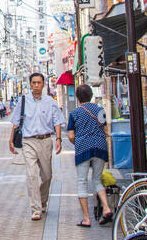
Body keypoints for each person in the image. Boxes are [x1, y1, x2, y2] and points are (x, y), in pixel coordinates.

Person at [8, 71, 65, 221]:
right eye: (33, 83)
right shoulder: (23, 101)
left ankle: (42, 201)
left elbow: (57, 120)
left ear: (43, 84)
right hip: (28, 141)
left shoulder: (50, 101)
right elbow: (16, 122)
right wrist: (11, 140)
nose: (36, 86)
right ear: (30, 84)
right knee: (31, 174)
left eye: (39, 83)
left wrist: (58, 139)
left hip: (46, 141)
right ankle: (35, 208)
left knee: (47, 175)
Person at [67, 83, 112, 227]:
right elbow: (104, 127)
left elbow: (71, 135)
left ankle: (86, 219)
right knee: (97, 180)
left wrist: (78, 142)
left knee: (82, 181)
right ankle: (106, 207)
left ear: (78, 97)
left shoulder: (74, 113)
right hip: (100, 146)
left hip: (83, 147)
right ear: (91, 95)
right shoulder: (99, 109)